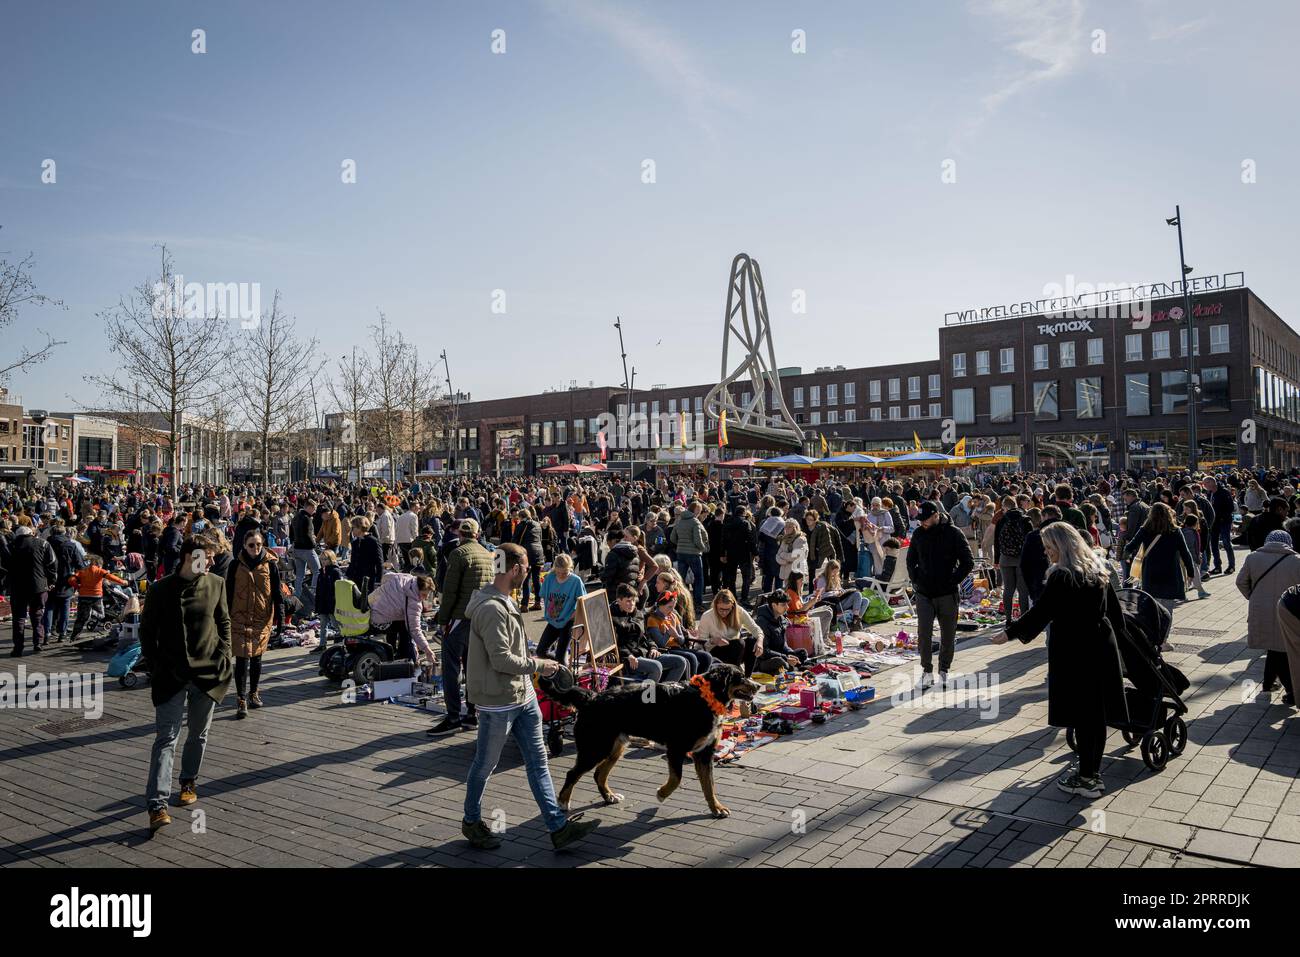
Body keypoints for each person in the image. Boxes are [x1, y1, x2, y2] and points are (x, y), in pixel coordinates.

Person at [460, 543, 599, 851]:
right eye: (525, 566)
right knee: (485, 764)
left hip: (522, 696)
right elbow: (501, 660)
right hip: (499, 701)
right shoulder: (492, 608)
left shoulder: (504, 601)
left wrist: (532, 665)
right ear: (514, 569)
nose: (529, 571)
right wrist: (541, 664)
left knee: (538, 762)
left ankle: (557, 827)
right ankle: (471, 821)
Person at [991, 522, 1129, 799]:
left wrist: (1009, 633)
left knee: (1083, 714)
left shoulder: (1063, 576)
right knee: (1095, 714)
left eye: (1050, 547)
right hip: (1101, 645)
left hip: (1075, 651)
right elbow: (1116, 613)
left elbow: (1042, 612)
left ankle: (1089, 778)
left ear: (1063, 547)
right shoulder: (1098, 569)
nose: (1046, 553)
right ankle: (1091, 771)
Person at [141, 537, 233, 832]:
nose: (210, 563)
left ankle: (188, 780)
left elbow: (224, 622)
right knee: (166, 738)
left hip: (207, 673)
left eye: (211, 558)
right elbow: (147, 633)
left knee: (198, 734)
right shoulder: (160, 589)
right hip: (171, 675)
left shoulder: (216, 584)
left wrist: (224, 655)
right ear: (186, 557)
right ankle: (157, 803)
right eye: (205, 557)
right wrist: (156, 666)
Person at [429, 519, 494, 735]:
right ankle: (471, 714)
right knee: (473, 666)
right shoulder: (486, 553)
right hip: (480, 617)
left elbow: (450, 592)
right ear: (477, 533)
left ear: (460, 533)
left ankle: (453, 716)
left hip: (459, 616)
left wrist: (442, 620)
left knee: (451, 668)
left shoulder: (458, 553)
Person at [906, 501, 973, 688]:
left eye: (925, 519)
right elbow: (910, 560)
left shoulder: (953, 533)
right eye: (920, 520)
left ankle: (944, 669)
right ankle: (926, 671)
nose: (922, 523)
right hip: (924, 592)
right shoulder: (919, 534)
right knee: (924, 634)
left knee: (948, 634)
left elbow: (968, 562)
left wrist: (953, 580)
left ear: (936, 515)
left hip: (947, 593)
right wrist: (915, 579)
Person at [1236, 529, 1300, 705]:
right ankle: (1291, 690)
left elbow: (1240, 582)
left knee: (1274, 648)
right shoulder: (1297, 561)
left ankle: (1268, 683)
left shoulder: (1253, 557)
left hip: (1260, 608)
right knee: (1281, 649)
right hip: (1288, 609)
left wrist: (1253, 596)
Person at [225, 530, 284, 719]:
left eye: (258, 544)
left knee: (257, 658)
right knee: (242, 659)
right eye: (251, 545)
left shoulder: (270, 566)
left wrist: (280, 618)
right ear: (244, 545)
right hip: (239, 617)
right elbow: (228, 591)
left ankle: (254, 692)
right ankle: (241, 698)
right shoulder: (235, 565)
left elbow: (277, 593)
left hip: (261, 618)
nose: (255, 548)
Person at [1123, 502, 1197, 612]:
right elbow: (1185, 553)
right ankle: (1166, 628)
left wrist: (1127, 559)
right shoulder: (1175, 531)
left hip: (1151, 573)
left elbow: (1129, 547)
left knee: (1153, 609)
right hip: (1170, 574)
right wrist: (1190, 573)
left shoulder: (1145, 530)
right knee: (1167, 610)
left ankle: (1155, 628)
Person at [610, 583, 689, 682]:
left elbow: (647, 636)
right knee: (656, 667)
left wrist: (653, 647)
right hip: (630, 658)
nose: (632, 604)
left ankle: (665, 692)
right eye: (628, 601)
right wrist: (628, 655)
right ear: (619, 601)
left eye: (634, 601)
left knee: (680, 662)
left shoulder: (638, 614)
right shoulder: (612, 619)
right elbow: (614, 643)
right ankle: (649, 696)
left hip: (646, 652)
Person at [6, 517, 57, 656]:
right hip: (39, 586)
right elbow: (52, 564)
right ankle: (38, 643)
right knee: (37, 614)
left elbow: (4, 567)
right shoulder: (42, 543)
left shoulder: (11, 546)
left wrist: (6, 583)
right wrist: (51, 581)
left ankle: (18, 647)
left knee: (19, 618)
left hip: (18, 587)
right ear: (31, 532)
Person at [698, 588, 766, 674]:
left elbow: (755, 629)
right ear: (715, 605)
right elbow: (700, 643)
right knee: (739, 644)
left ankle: (748, 676)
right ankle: (735, 676)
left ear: (733, 607)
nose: (724, 612)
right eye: (721, 609)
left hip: (736, 650)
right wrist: (713, 640)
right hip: (715, 651)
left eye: (727, 609)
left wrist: (760, 641)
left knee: (752, 641)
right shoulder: (707, 616)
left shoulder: (739, 611)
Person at [644, 590, 712, 676]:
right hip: (666, 650)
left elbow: (682, 641)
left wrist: (675, 634)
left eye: (674, 607)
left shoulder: (673, 616)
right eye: (669, 607)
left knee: (706, 657)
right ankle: (691, 684)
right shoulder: (653, 619)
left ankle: (700, 681)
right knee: (691, 658)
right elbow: (661, 643)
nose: (672, 610)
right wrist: (669, 633)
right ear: (660, 605)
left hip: (678, 647)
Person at [536, 553, 586, 661]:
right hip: (553, 620)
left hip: (568, 621)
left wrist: (572, 616)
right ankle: (560, 667)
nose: (561, 575)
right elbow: (544, 595)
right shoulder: (550, 577)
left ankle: (563, 671)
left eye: (565, 573)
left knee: (560, 656)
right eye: (558, 572)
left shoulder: (576, 581)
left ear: (570, 569)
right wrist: (549, 611)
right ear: (555, 569)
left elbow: (583, 602)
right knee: (540, 651)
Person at [67, 554, 126, 641]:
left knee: (80, 618)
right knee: (101, 615)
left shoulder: (82, 571)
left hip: (83, 596)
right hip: (96, 597)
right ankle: (92, 612)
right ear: (99, 564)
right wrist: (122, 581)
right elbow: (110, 576)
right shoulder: (100, 571)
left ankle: (73, 637)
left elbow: (71, 580)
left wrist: (78, 586)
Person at [669, 501, 709, 609]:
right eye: (699, 510)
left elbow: (672, 538)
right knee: (698, 578)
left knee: (681, 579)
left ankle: (682, 602)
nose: (700, 512)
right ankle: (698, 603)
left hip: (681, 553)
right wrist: (704, 548)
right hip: (694, 554)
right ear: (696, 510)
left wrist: (681, 544)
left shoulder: (680, 521)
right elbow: (698, 540)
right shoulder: (695, 522)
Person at [315, 549, 342, 647]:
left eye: (325, 559)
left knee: (335, 624)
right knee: (323, 625)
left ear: (331, 559)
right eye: (321, 559)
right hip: (323, 602)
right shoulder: (322, 572)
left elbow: (339, 589)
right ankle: (322, 645)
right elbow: (318, 589)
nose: (323, 561)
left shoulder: (335, 571)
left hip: (331, 603)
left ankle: (343, 640)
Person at [775, 519, 809, 590]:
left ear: (795, 527)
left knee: (796, 595)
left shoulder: (801, 539)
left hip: (796, 573)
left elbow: (796, 555)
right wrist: (784, 562)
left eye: (789, 527)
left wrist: (783, 555)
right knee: (788, 595)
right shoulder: (785, 539)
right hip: (785, 572)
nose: (786, 529)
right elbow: (777, 555)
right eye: (785, 527)